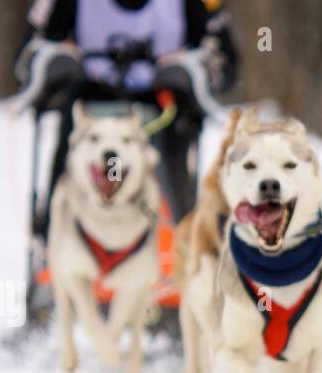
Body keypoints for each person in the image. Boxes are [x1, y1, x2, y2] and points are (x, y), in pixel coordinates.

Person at [15, 0, 239, 246]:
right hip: (90, 99)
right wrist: (60, 58)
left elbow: (224, 61)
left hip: (163, 107)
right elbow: (30, 52)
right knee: (75, 142)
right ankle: (53, 238)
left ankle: (178, 241)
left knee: (171, 152)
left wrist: (193, 68)